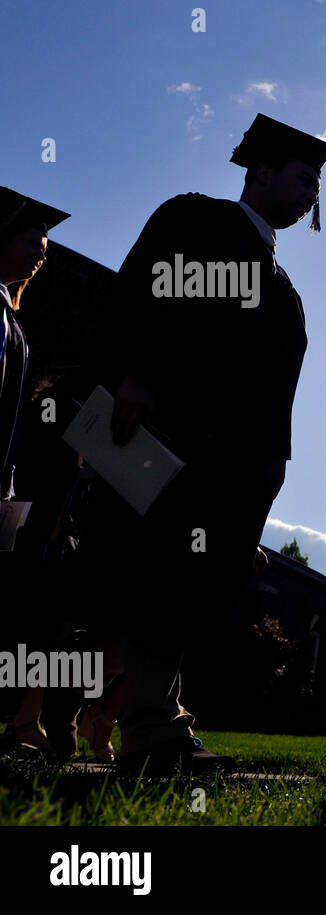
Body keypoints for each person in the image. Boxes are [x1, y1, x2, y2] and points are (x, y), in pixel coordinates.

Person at [95, 113, 326, 776]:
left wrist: (270, 471)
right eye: (301, 174)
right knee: (155, 576)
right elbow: (139, 291)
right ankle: (150, 729)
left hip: (236, 466)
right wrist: (134, 374)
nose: (312, 188)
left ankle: (143, 717)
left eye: (317, 180)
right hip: (174, 439)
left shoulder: (282, 286)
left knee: (187, 590)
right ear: (259, 171)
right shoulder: (197, 221)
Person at [0, 188, 69, 744]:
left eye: (45, 246)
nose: (42, 254)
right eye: (31, 241)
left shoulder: (10, 317)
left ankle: (25, 720)